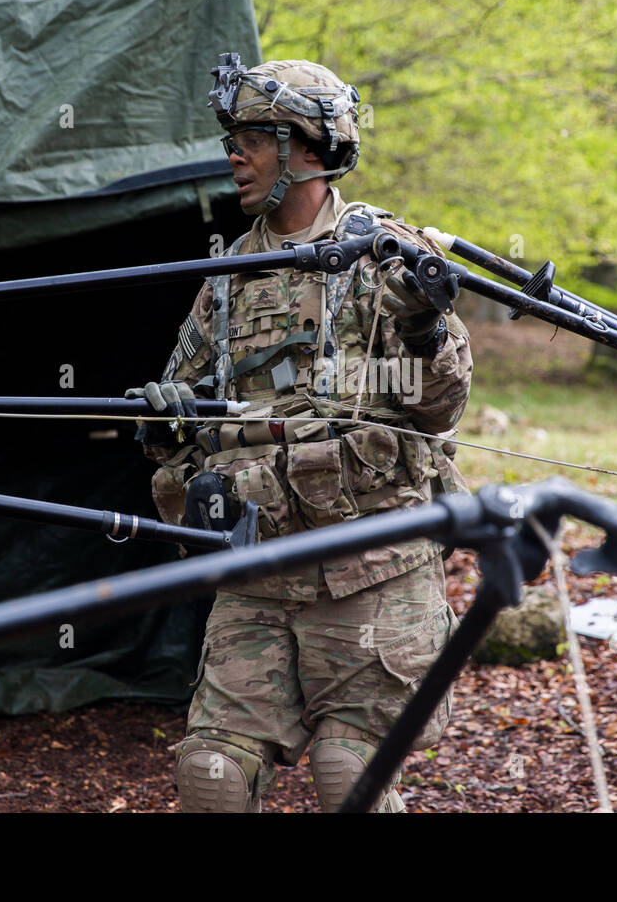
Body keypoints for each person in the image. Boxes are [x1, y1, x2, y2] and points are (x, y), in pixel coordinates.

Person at [128, 54, 473, 812]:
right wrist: (166, 421)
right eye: (235, 139)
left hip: (372, 567)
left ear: (305, 148)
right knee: (212, 777)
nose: (234, 157)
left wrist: (422, 325)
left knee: (351, 776)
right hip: (259, 570)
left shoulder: (382, 253)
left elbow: (441, 408)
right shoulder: (230, 275)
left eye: (251, 137)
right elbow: (182, 423)